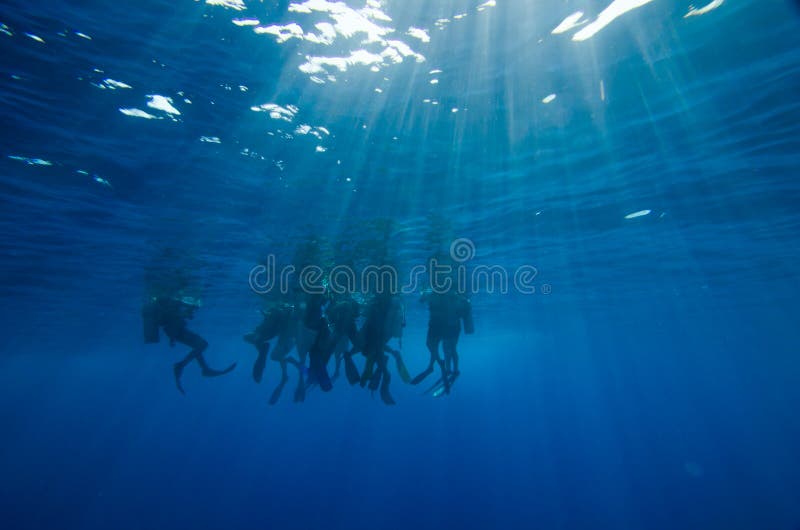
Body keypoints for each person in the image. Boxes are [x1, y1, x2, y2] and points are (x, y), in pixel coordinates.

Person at [142, 295, 236, 394]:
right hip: (176, 330)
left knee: (198, 346)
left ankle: (204, 369)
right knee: (202, 345)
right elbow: (173, 316)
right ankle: (182, 365)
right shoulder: (171, 301)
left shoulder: (171, 301)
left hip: (175, 330)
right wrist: (186, 313)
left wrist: (188, 311)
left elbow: (174, 316)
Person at [411, 290, 473, 396]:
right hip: (447, 325)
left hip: (452, 326)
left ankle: (453, 370)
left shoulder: (454, 296)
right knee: (445, 348)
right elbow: (424, 301)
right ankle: (447, 369)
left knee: (450, 348)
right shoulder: (449, 295)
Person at [243, 302, 303, 404]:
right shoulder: (284, 313)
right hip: (287, 337)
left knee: (275, 356)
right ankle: (286, 375)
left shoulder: (286, 314)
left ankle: (291, 367)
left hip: (288, 338)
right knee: (278, 355)